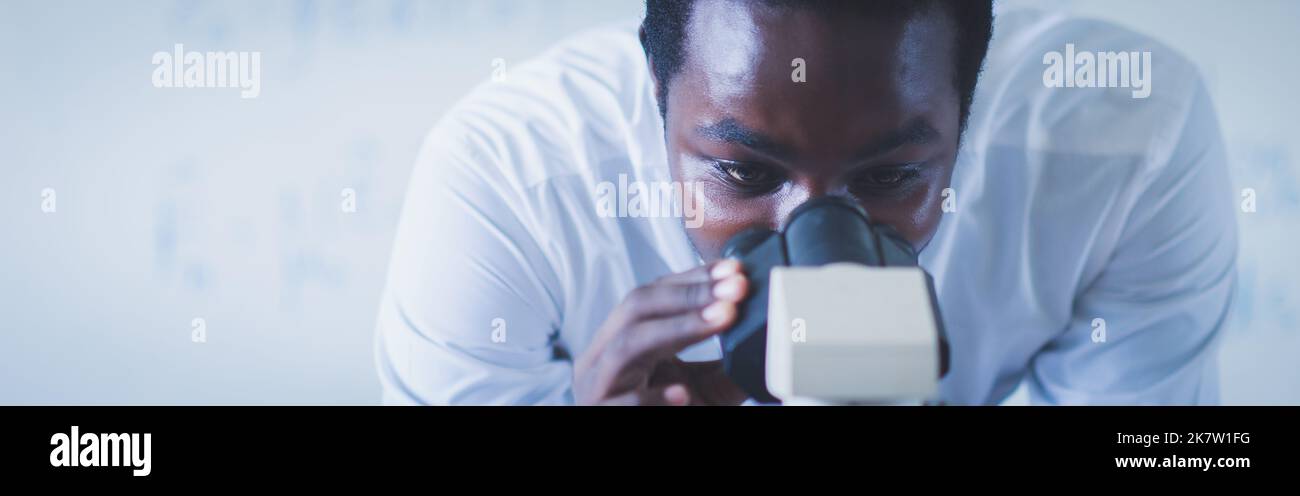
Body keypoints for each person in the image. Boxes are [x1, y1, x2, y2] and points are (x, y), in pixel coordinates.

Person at [373, 0, 1237, 405]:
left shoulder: (1128, 148)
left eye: (889, 177)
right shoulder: (506, 187)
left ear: (971, 111)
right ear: (654, 95)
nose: (816, 255)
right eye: (743, 174)